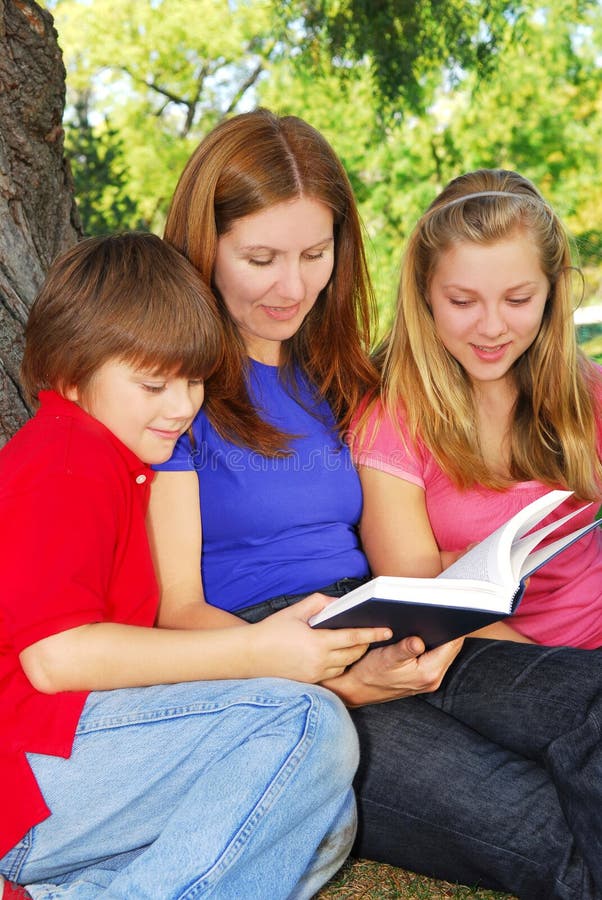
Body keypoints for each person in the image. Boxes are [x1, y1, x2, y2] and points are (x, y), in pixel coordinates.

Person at [149, 111, 602, 899]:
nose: (292, 286)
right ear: (202, 244)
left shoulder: (334, 376)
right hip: (275, 666)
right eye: (260, 257)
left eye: (315, 254)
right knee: (542, 831)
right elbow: (170, 609)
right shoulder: (169, 390)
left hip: (387, 621)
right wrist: (329, 675)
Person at [0, 232, 387, 900]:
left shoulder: (117, 463)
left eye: (195, 380)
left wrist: (274, 640)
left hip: (78, 766)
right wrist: (255, 650)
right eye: (153, 383)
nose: (181, 406)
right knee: (303, 727)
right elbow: (55, 659)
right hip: (29, 771)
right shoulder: (67, 457)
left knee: (320, 814)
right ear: (67, 375)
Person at [353, 167, 602, 648]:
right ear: (425, 294)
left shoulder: (585, 389)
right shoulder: (393, 419)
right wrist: (570, 682)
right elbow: (421, 603)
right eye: (463, 301)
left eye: (518, 299)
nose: (492, 328)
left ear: (552, 293)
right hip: (491, 663)